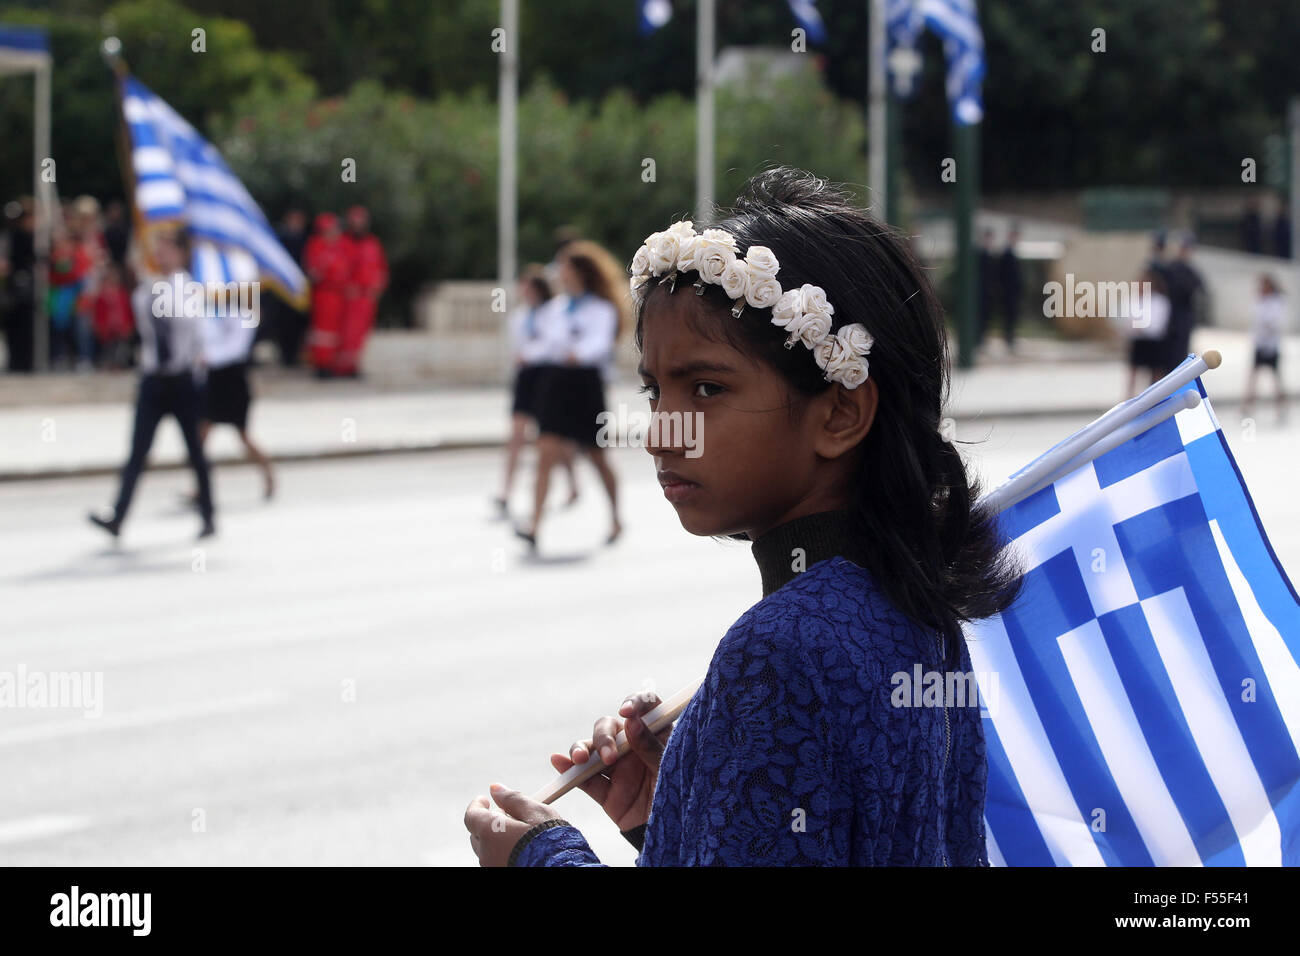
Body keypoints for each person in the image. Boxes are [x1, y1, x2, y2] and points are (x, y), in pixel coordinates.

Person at [464, 166, 1023, 866]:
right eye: (654, 391)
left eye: (705, 388)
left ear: (841, 413)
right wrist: (681, 807)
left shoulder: (779, 649)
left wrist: (538, 856)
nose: (665, 431)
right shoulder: (915, 610)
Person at [89, 228, 215, 540]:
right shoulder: (147, 289)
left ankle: (209, 515)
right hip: (153, 381)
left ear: (183, 253)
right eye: (158, 248)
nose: (160, 254)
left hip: (183, 381)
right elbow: (141, 316)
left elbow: (188, 322)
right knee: (137, 452)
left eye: (167, 249)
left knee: (195, 452)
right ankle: (118, 517)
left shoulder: (189, 289)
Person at [515, 240, 626, 551]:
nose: (560, 274)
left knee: (597, 456)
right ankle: (535, 524)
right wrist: (532, 354)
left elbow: (599, 345)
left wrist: (574, 352)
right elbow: (546, 344)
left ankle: (616, 517)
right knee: (545, 452)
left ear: (580, 272)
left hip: (585, 385)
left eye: (565, 268)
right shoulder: (555, 309)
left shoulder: (601, 308)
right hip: (556, 383)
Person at [494, 265, 578, 517]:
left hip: (546, 375)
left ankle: (572, 483)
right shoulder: (520, 316)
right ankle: (506, 491)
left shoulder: (554, 312)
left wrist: (529, 355)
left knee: (552, 438)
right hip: (526, 377)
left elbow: (553, 344)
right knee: (516, 435)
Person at [196, 284, 276, 500]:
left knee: (243, 436)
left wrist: (208, 356)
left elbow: (233, 350)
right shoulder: (215, 314)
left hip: (232, 382)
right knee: (200, 435)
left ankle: (268, 472)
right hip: (214, 380)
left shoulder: (243, 316)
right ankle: (200, 486)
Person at [335, 205, 388, 378]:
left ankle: (353, 366)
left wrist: (378, 287)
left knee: (360, 334)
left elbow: (380, 268)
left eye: (361, 221)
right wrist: (346, 287)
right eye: (355, 221)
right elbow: (339, 269)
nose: (358, 224)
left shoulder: (372, 243)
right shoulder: (343, 243)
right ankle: (341, 368)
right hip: (350, 297)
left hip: (367, 298)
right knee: (346, 333)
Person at [304, 212, 350, 377]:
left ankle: (332, 363)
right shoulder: (317, 246)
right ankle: (321, 364)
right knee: (322, 332)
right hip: (324, 295)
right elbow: (315, 272)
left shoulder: (341, 246)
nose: (335, 232)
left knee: (335, 332)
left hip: (339, 295)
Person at [1243, 273, 1287, 424]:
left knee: (1276, 378)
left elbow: (1274, 322)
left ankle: (1281, 407)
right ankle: (1247, 406)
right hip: (1260, 343)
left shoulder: (1276, 302)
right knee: (1254, 376)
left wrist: (1266, 326)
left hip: (1271, 344)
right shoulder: (1260, 301)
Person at [1160, 233, 1206, 376]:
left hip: (1183, 318)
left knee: (1179, 355)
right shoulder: (1171, 268)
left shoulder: (1188, 270)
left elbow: (1199, 289)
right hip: (1170, 317)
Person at [1122, 267, 1170, 399]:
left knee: (1155, 372)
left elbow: (1158, 325)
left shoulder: (1159, 301)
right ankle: (1129, 398)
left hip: (1154, 342)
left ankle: (1154, 398)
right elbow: (1127, 320)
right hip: (1139, 341)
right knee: (1133, 371)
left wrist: (1141, 327)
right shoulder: (1134, 300)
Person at [1, 198, 36, 373]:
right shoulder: (8, 236)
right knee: (14, 326)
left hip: (23, 285)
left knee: (23, 325)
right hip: (11, 287)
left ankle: (24, 362)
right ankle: (16, 361)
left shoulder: (27, 236)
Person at [90, 262, 135, 370]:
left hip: (121, 328)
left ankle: (120, 363)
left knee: (121, 347)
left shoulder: (123, 295)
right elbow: (98, 314)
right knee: (108, 348)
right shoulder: (101, 297)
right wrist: (100, 327)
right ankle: (108, 362)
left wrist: (128, 326)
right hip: (106, 329)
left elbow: (128, 312)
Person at [997, 223, 1022, 351]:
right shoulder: (1007, 253)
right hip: (1008, 292)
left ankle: (1010, 337)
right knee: (1008, 316)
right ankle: (1008, 338)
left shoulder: (1012, 252)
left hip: (1012, 292)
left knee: (1012, 316)